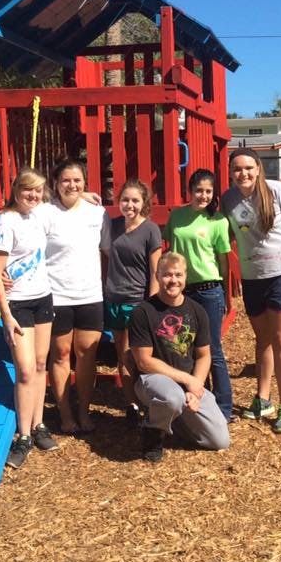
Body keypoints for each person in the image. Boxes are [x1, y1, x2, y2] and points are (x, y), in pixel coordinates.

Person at [220, 148, 281, 435]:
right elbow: (224, 235)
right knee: (262, 340)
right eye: (237, 169)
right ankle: (263, 399)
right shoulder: (228, 199)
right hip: (253, 277)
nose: (243, 174)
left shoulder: (278, 191)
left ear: (258, 168)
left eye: (248, 168)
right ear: (230, 172)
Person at [127, 252, 231, 462]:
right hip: (153, 380)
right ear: (157, 276)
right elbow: (143, 361)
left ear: (185, 277)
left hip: (188, 384)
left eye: (178, 275)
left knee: (220, 441)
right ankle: (153, 431)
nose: (173, 280)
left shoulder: (197, 311)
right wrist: (187, 379)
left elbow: (204, 356)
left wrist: (195, 388)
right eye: (167, 275)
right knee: (172, 397)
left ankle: (172, 420)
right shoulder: (143, 312)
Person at [0, 168, 59, 469]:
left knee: (41, 364)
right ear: (16, 190)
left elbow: (64, 196)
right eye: (28, 189)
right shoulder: (6, 222)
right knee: (26, 371)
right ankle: (24, 435)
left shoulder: (38, 213)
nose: (33, 195)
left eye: (38, 190)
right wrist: (6, 315)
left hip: (43, 298)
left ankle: (39, 425)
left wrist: (84, 193)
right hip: (18, 304)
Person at [164, 168, 235, 423]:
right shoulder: (177, 216)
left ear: (214, 194)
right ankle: (196, 400)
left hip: (209, 290)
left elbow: (223, 261)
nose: (203, 196)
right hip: (183, 291)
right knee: (185, 347)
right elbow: (169, 249)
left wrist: (226, 294)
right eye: (198, 190)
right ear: (190, 191)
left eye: (208, 191)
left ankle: (224, 407)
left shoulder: (218, 221)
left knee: (212, 348)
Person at [42, 159, 107, 435]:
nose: (72, 185)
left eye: (77, 180)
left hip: (90, 295)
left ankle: (84, 412)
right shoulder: (44, 212)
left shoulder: (97, 213)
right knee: (61, 355)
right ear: (56, 183)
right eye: (66, 180)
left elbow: (106, 252)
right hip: (56, 295)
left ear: (85, 182)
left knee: (87, 355)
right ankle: (65, 413)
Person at [101, 179, 162, 425]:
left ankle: (147, 401)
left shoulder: (150, 230)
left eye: (135, 200)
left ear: (143, 203)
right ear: (119, 201)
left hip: (137, 300)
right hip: (113, 298)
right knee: (122, 354)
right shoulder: (113, 226)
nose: (130, 205)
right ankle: (132, 404)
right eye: (125, 200)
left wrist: (153, 304)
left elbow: (155, 270)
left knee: (137, 355)